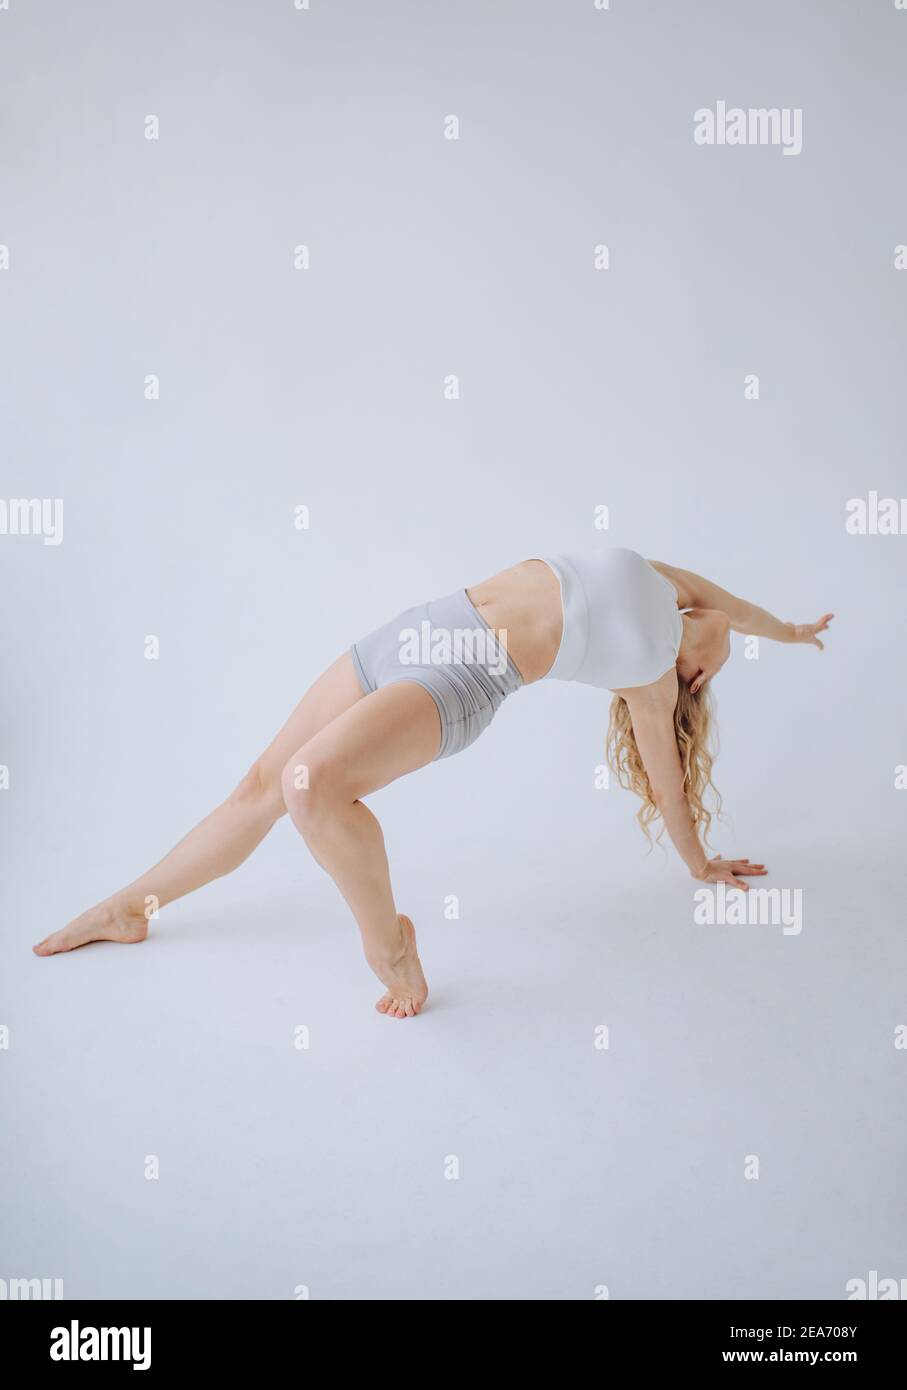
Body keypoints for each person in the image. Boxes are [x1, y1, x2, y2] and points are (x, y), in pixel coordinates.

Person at [35, 548, 833, 1019]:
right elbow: (749, 613)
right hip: (416, 629)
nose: (706, 680)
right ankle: (128, 909)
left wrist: (699, 863)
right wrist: (795, 632)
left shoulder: (655, 683)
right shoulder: (679, 588)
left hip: (466, 676)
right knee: (262, 783)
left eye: (703, 689)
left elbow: (666, 786)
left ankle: (390, 946)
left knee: (311, 787)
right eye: (710, 675)